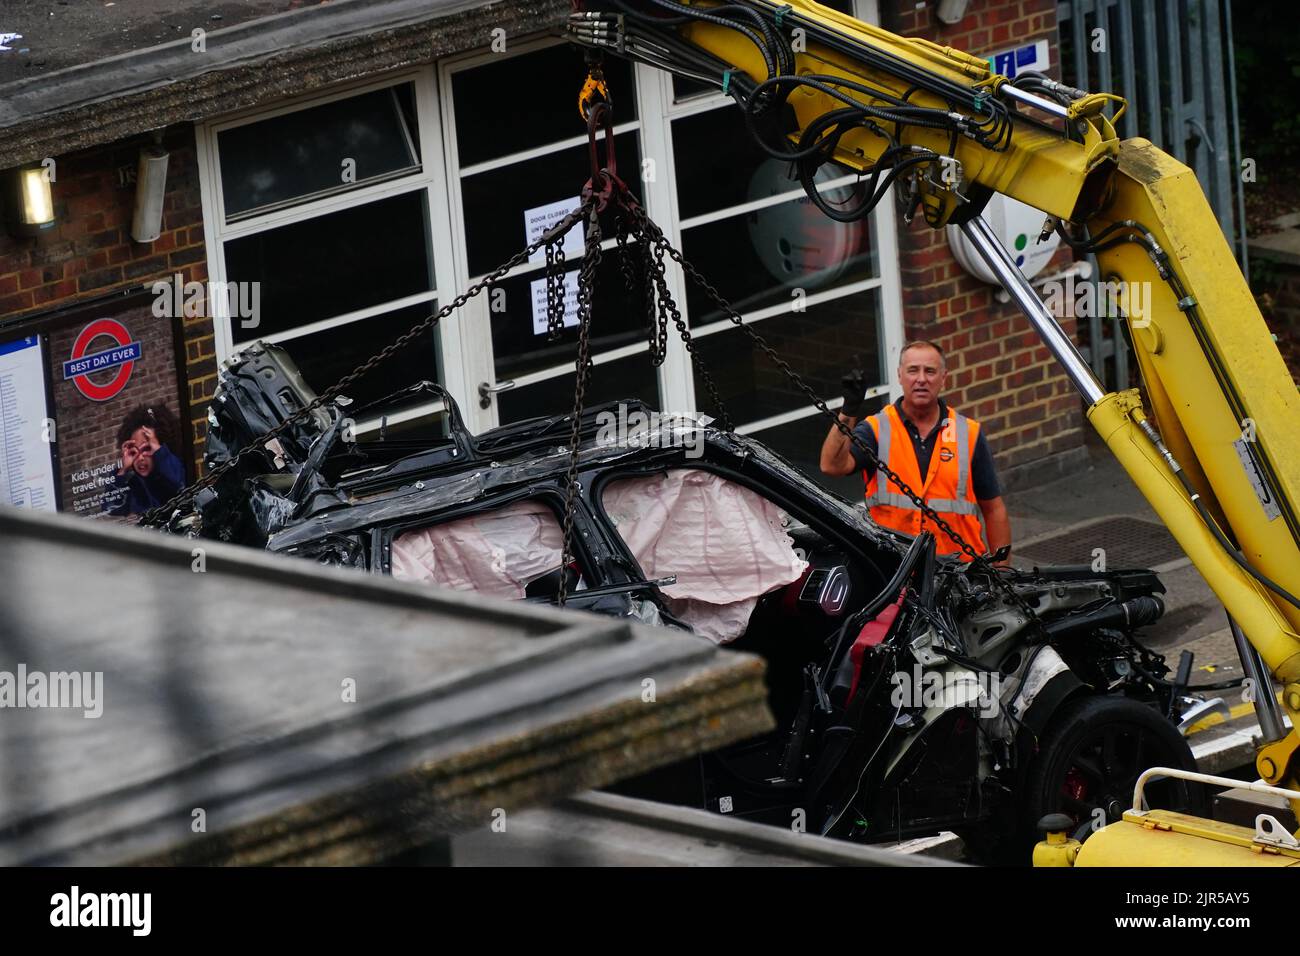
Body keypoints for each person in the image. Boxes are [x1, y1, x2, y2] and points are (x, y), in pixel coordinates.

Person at [819, 341, 1011, 564]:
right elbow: (831, 466)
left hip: (960, 575)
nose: (921, 379)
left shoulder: (968, 433)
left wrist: (1003, 573)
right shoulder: (876, 429)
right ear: (900, 376)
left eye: (929, 371)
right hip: (894, 570)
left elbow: (994, 509)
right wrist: (848, 410)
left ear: (944, 378)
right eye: (913, 370)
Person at [104, 405, 186, 517]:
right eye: (134, 452)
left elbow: (181, 483)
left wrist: (159, 452)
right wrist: (122, 471)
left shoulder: (175, 466)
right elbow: (111, 508)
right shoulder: (134, 484)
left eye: (147, 448)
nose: (141, 457)